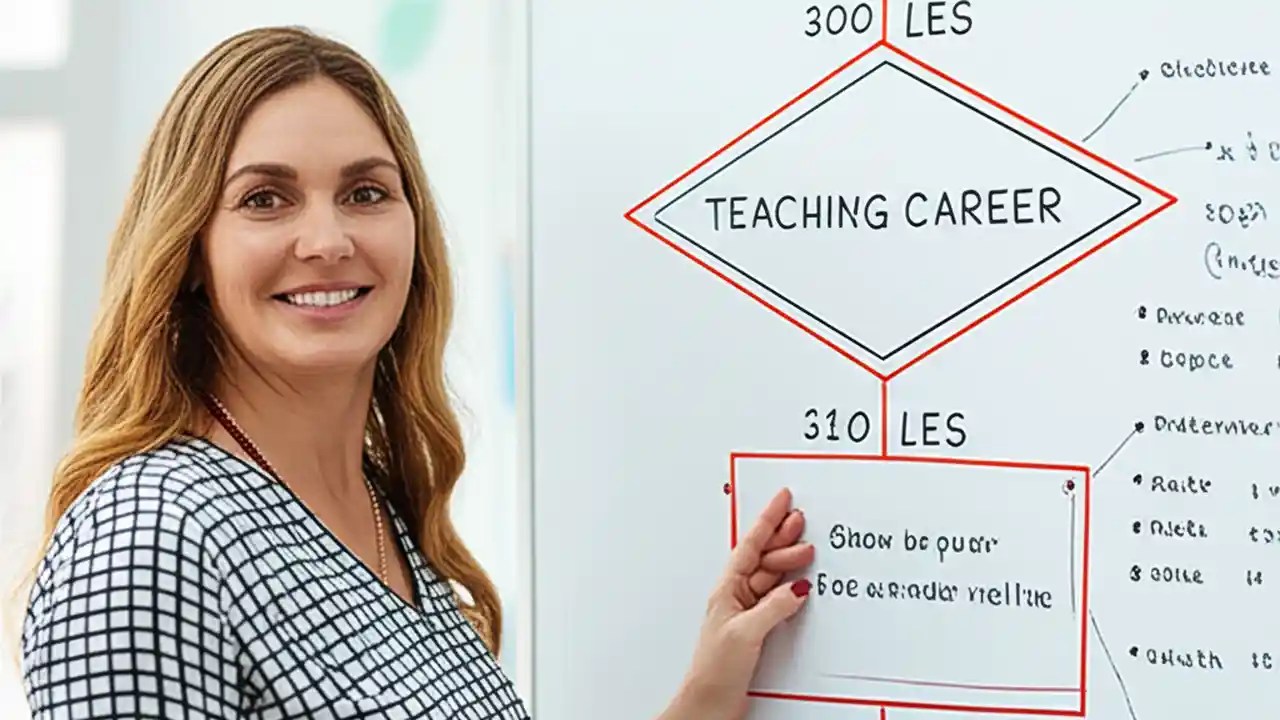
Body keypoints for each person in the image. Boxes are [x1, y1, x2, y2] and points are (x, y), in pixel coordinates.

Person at [16, 25, 815, 719]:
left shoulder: (382, 508)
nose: (327, 239)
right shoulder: (147, 537)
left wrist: (705, 693)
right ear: (190, 250)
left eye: (365, 192)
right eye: (266, 200)